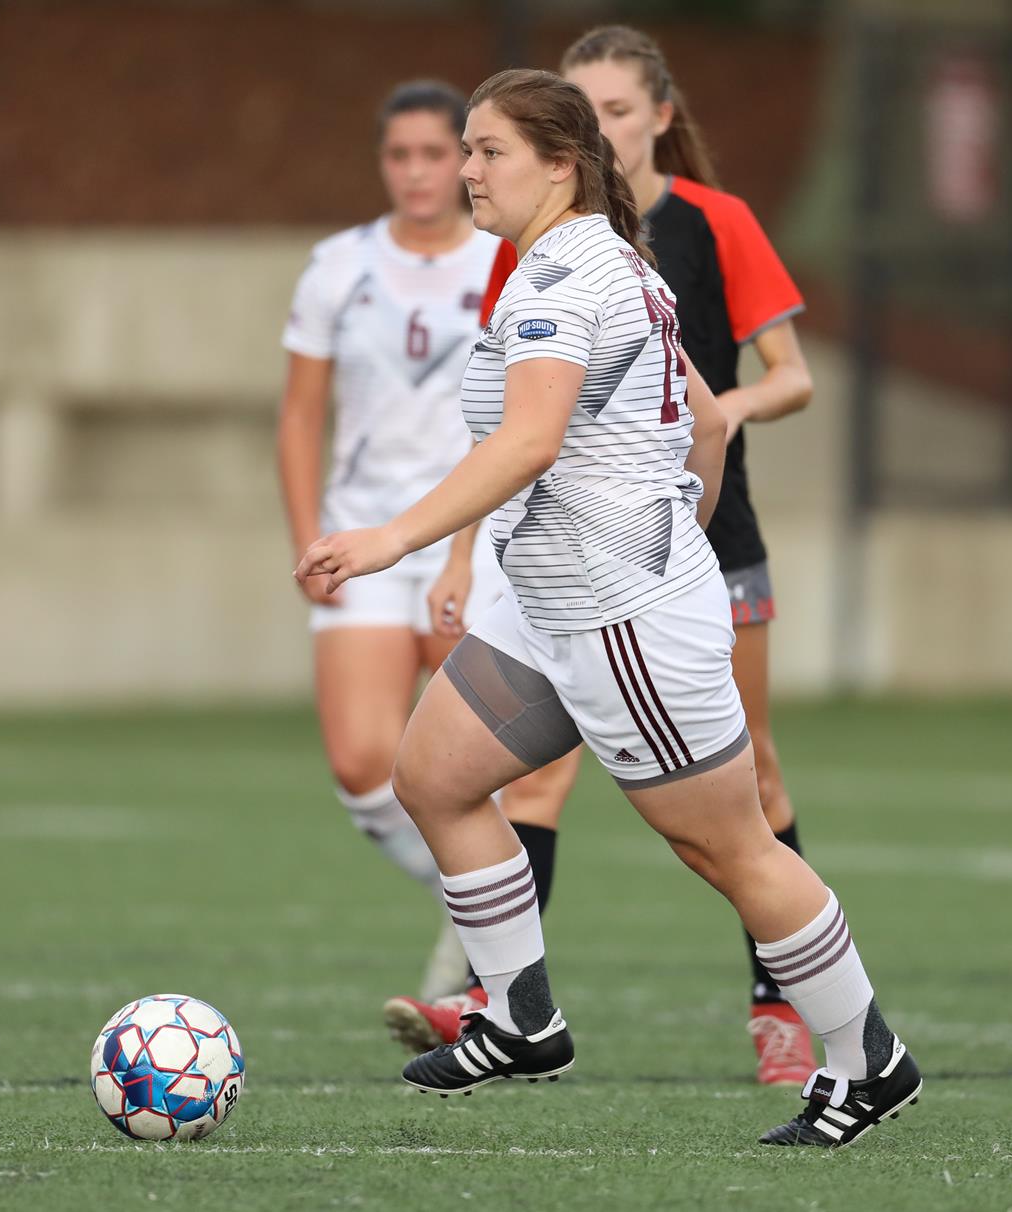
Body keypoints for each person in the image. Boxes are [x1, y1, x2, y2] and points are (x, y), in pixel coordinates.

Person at [296, 67, 919, 1150]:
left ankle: (869, 1062)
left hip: (620, 619)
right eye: (465, 149)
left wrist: (390, 541)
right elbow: (705, 428)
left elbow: (529, 442)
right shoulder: (600, 260)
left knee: (729, 850)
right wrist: (675, 530)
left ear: (559, 166)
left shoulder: (559, 280)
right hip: (555, 607)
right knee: (433, 776)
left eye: (486, 150)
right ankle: (520, 1018)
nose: (464, 169)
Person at [387, 24, 823, 1087]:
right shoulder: (534, 248)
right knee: (505, 780)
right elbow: (511, 428)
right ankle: (506, 1006)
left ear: (653, 121)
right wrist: (459, 559)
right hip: (569, 564)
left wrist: (704, 446)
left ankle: (792, 1013)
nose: (603, 127)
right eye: (587, 109)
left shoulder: (705, 226)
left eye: (618, 110)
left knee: (740, 803)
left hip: (687, 540)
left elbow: (781, 380)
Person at [276, 80, 505, 1002]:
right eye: (399, 155)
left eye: (436, 154)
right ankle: (474, 900)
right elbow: (300, 416)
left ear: (466, 161)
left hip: (471, 542)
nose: (417, 172)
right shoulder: (339, 266)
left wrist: (466, 552)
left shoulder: (504, 260)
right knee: (363, 764)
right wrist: (307, 538)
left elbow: (516, 424)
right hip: (363, 538)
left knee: (479, 762)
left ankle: (491, 961)